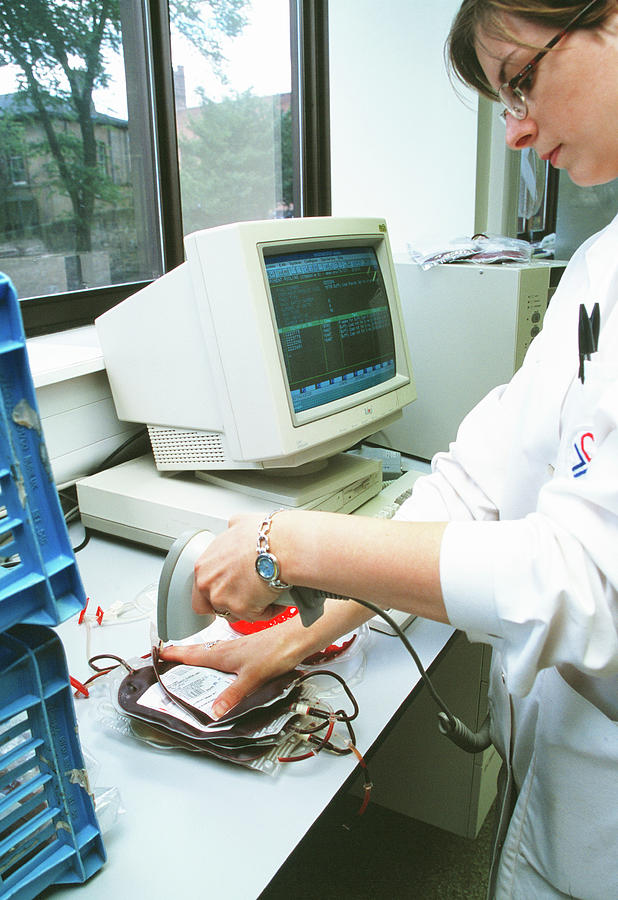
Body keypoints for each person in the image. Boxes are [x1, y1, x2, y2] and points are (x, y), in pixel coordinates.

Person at [161, 2, 618, 896]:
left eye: (520, 78)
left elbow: (589, 584)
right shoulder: (600, 266)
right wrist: (306, 632)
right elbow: (475, 483)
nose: (519, 128)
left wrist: (290, 545)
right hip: (561, 786)